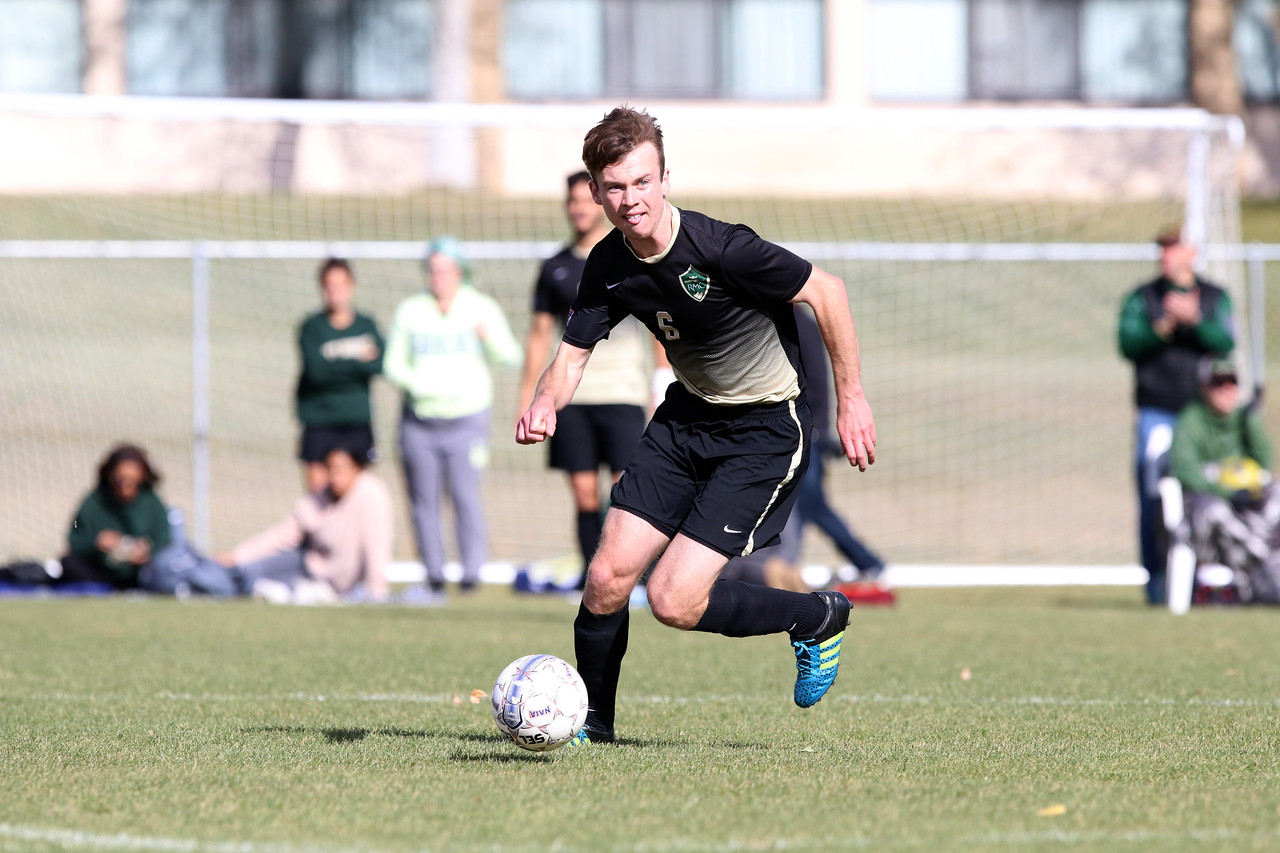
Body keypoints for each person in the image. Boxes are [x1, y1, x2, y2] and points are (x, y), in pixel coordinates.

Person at [516, 107, 876, 744]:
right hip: (687, 419)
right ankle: (593, 727)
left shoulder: (720, 246)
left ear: (665, 178)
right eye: (616, 187)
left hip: (765, 430)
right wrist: (547, 402)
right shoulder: (607, 264)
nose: (632, 200)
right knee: (604, 579)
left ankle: (817, 615)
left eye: (642, 182)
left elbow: (829, 292)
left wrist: (851, 400)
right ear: (597, 192)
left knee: (673, 601)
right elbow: (571, 355)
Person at [518, 170, 665, 590]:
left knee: (625, 495)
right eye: (572, 202)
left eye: (586, 200)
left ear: (598, 201)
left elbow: (658, 325)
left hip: (623, 394)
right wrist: (530, 398)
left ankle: (632, 581)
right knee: (584, 495)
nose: (580, 208)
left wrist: (661, 384)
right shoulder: (555, 267)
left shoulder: (628, 256)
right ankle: (592, 581)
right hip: (572, 399)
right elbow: (539, 337)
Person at [385, 238, 522, 600]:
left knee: (465, 495)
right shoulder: (410, 311)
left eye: (446, 269)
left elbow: (510, 355)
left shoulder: (480, 308)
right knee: (423, 500)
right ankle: (432, 573)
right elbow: (393, 363)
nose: (439, 276)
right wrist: (419, 385)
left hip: (467, 419)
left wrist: (487, 338)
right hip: (419, 420)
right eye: (433, 269)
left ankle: (471, 573)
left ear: (460, 272)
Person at [1118, 227, 1234, 604]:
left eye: (1173, 249)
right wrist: (1164, 326)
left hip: (1203, 418)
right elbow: (1128, 343)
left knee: (1213, 492)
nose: (1166, 257)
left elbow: (1226, 343)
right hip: (1157, 411)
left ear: (1192, 252)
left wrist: (1195, 320)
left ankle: (1214, 582)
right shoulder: (1143, 297)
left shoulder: (1215, 296)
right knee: (1155, 499)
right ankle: (1156, 581)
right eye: (1162, 250)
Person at [786, 305, 888, 582]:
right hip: (805, 432)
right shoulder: (796, 320)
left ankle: (869, 564)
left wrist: (811, 429)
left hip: (805, 434)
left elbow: (811, 383)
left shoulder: (796, 322)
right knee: (807, 507)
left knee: (812, 506)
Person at [221, 442, 393, 603]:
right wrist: (238, 556)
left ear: (358, 468)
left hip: (338, 587)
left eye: (342, 469)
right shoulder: (319, 498)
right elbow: (281, 536)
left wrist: (377, 592)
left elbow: (376, 546)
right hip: (306, 569)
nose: (335, 477)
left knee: (250, 583)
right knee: (245, 574)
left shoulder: (371, 493)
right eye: (331, 469)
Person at [1170, 356, 1280, 603]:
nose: (1226, 390)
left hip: (1246, 503)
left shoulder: (1242, 419)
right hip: (1207, 506)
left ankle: (1270, 577)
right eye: (1219, 383)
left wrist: (1252, 420)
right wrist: (1227, 492)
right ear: (1204, 388)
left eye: (1232, 383)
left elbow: (1265, 461)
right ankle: (1230, 586)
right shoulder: (1191, 421)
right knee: (1216, 511)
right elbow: (1187, 473)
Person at [63, 444, 236, 596]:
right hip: (101, 568)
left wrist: (146, 550)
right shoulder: (93, 501)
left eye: (132, 481)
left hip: (140, 571)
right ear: (110, 475)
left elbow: (163, 538)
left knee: (164, 568)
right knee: (69, 563)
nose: (126, 487)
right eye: (120, 480)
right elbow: (76, 532)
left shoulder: (151, 502)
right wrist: (97, 543)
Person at [296, 258, 384, 493]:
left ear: (351, 286)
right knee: (318, 499)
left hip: (356, 420)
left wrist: (334, 364)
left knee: (358, 495)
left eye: (341, 284)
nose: (335, 291)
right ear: (322, 287)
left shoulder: (366, 325)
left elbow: (378, 365)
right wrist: (356, 362)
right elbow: (316, 371)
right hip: (319, 419)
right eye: (330, 285)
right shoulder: (312, 327)